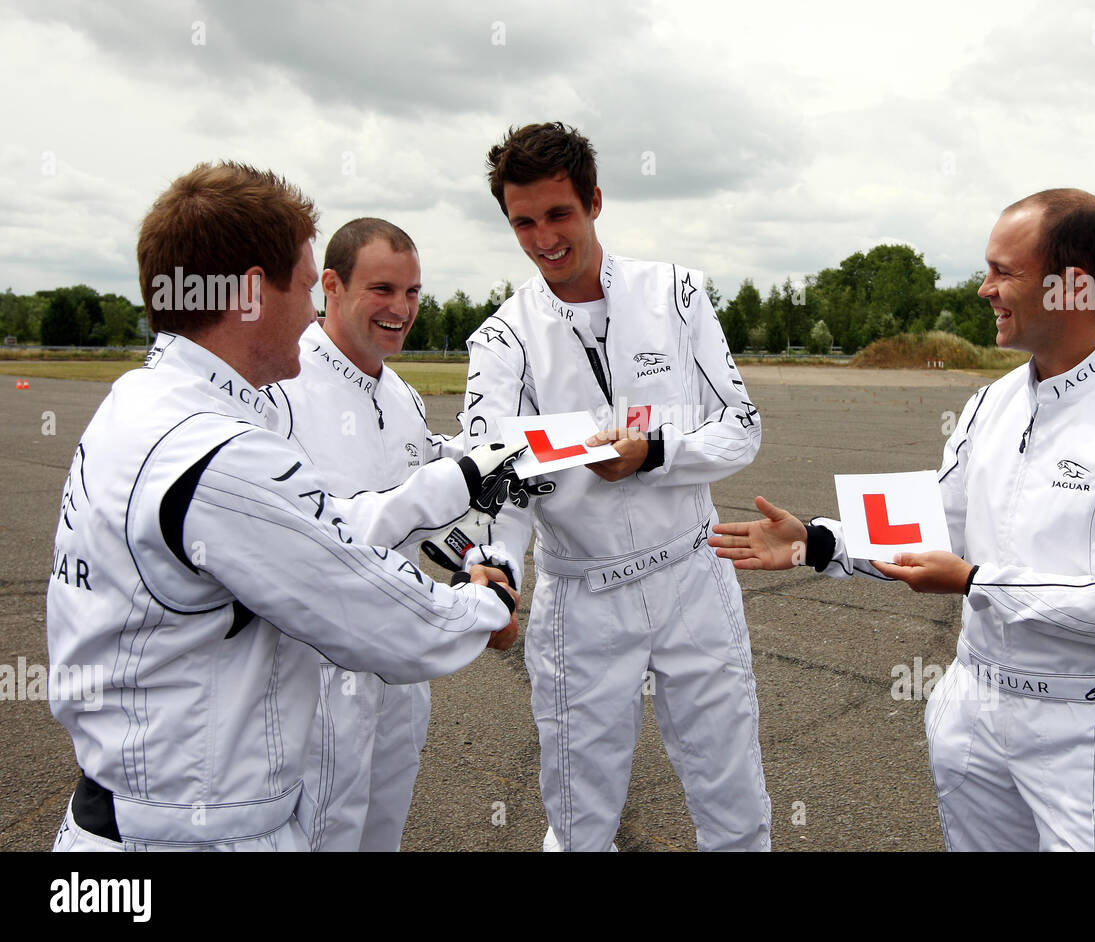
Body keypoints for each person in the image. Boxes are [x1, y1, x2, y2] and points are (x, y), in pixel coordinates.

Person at [711, 189, 1095, 852]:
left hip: (1091, 732)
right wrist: (819, 542)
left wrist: (973, 582)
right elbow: (936, 528)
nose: (984, 289)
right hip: (975, 709)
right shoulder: (992, 401)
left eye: (1003, 272)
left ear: (1074, 286)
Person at [46, 162, 525, 851]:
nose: (309, 313)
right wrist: (490, 600)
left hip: (132, 812)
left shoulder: (138, 402)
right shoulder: (222, 453)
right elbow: (379, 612)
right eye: (303, 288)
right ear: (248, 294)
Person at [466, 122, 771, 851]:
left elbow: (743, 428)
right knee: (579, 820)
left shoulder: (677, 293)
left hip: (692, 578)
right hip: (583, 599)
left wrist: (654, 453)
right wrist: (498, 567)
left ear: (594, 201)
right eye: (524, 222)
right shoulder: (501, 339)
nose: (544, 239)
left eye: (558, 214)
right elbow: (497, 482)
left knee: (735, 805)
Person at [266, 217, 519, 851]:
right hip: (322, 667)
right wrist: (453, 477)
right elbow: (316, 532)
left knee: (382, 833)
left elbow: (433, 505)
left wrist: (475, 568)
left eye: (412, 292)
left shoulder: (400, 392)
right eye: (382, 289)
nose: (401, 309)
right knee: (325, 835)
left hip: (400, 663)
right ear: (331, 284)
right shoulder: (283, 389)